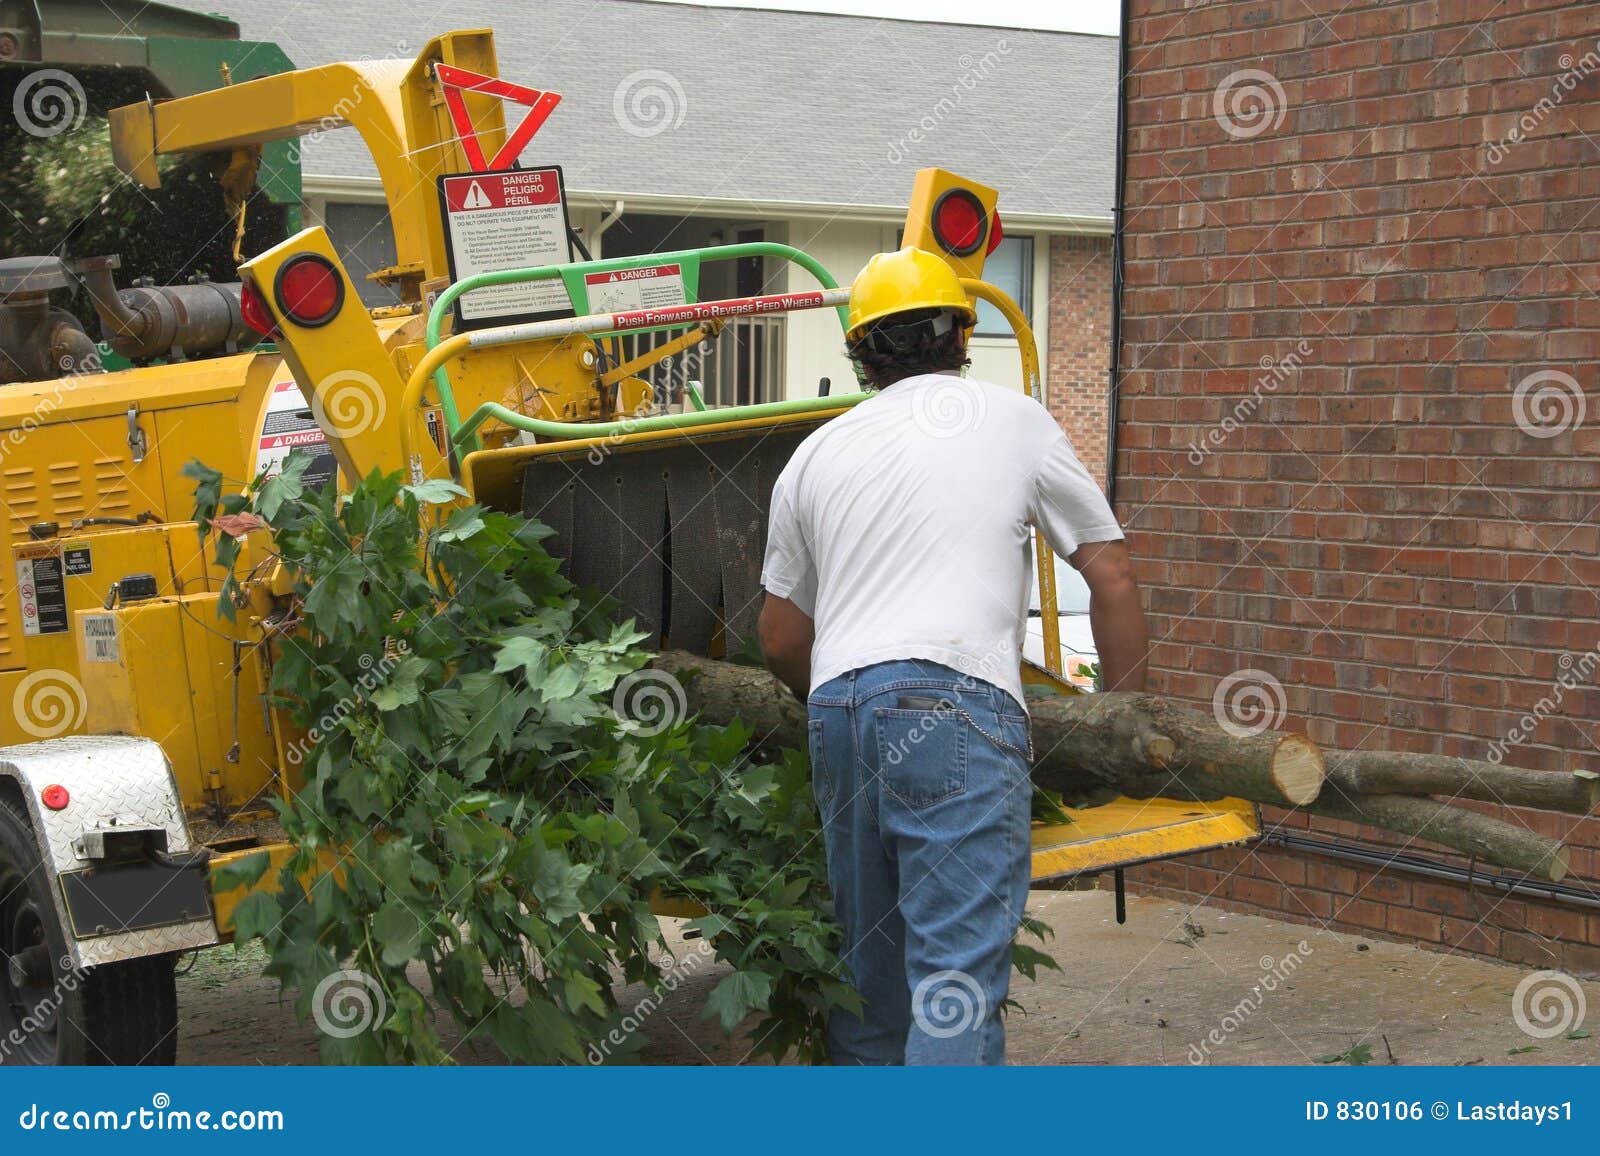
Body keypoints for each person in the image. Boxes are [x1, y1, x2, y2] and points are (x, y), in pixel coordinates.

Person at [757, 246, 1149, 1065]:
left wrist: (850, 702)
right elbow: (1110, 574)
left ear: (860, 352)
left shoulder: (814, 454)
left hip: (839, 711)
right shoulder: (1014, 419)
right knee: (953, 985)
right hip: (955, 702)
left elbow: (782, 639)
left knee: (871, 990)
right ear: (962, 336)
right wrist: (1126, 727)